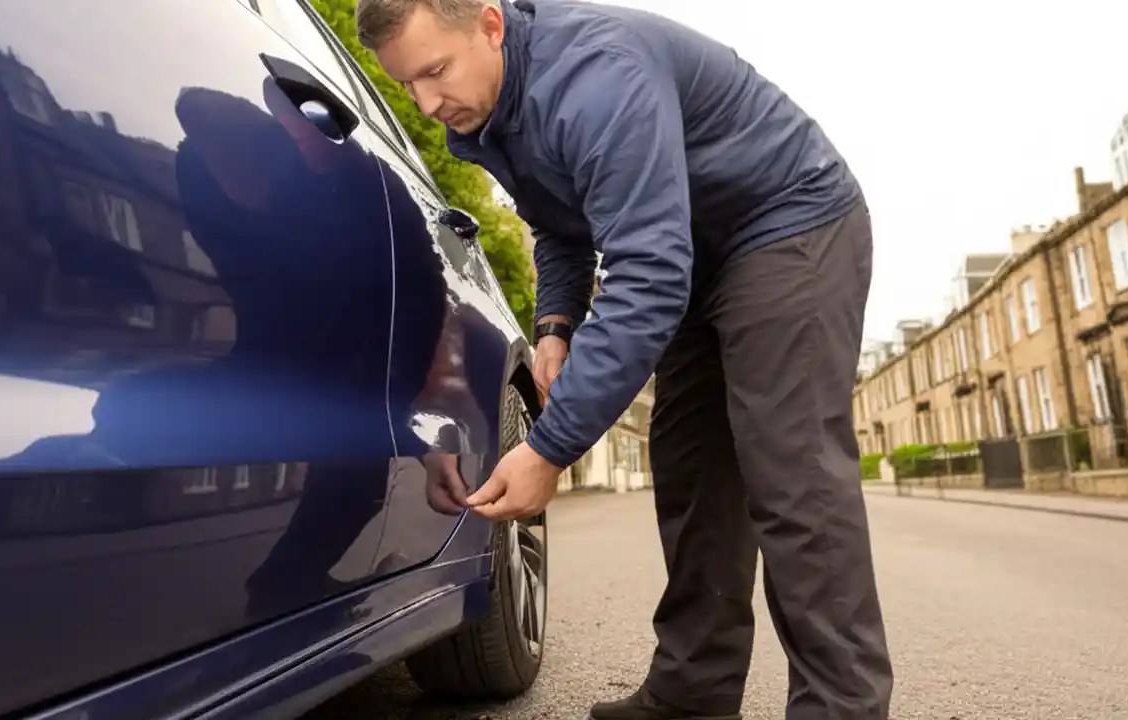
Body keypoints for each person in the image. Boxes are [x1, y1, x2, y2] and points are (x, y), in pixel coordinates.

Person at [358, 0, 893, 718]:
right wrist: (554, 325)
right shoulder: (493, 110)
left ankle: (841, 707)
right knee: (690, 467)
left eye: (434, 72)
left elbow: (647, 275)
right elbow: (559, 226)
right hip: (694, 257)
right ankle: (694, 692)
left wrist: (549, 447)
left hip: (786, 222)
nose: (425, 103)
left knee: (789, 468)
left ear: (489, 25)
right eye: (408, 85)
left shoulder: (594, 77)